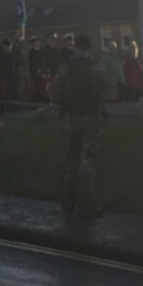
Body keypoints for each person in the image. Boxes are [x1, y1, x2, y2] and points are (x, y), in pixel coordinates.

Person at [52, 35, 106, 219]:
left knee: (71, 158)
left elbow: (54, 93)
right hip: (90, 117)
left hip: (70, 117)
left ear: (75, 48)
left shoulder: (65, 69)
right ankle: (86, 203)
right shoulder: (97, 68)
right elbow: (111, 92)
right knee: (87, 159)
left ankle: (69, 200)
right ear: (89, 49)